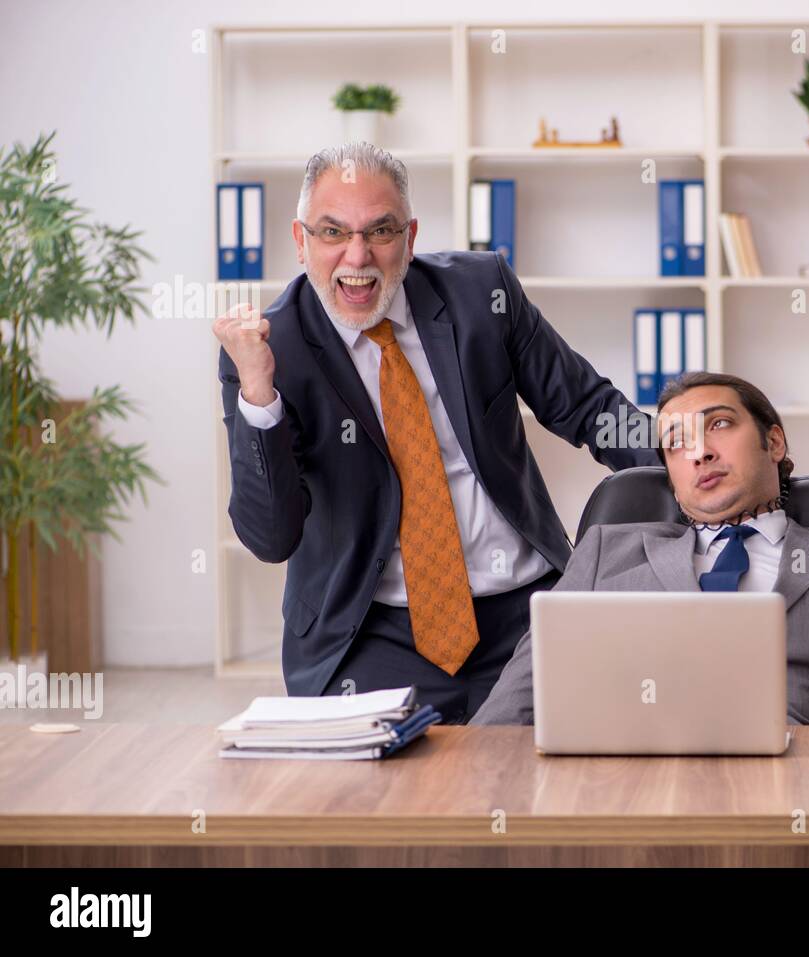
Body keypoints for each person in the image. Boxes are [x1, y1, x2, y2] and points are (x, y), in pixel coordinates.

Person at [213, 143, 657, 722]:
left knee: (568, 777)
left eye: (380, 230)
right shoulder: (269, 350)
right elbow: (270, 538)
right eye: (332, 232)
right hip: (369, 631)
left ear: (410, 236)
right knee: (396, 803)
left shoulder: (481, 294)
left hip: (524, 610)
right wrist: (259, 394)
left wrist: (690, 458)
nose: (357, 256)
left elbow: (587, 406)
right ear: (300, 242)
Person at [472, 371, 809, 726]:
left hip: (805, 798)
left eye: (720, 425)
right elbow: (515, 705)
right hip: (628, 796)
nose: (699, 452)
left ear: (774, 442)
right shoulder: (606, 555)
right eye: (676, 443)